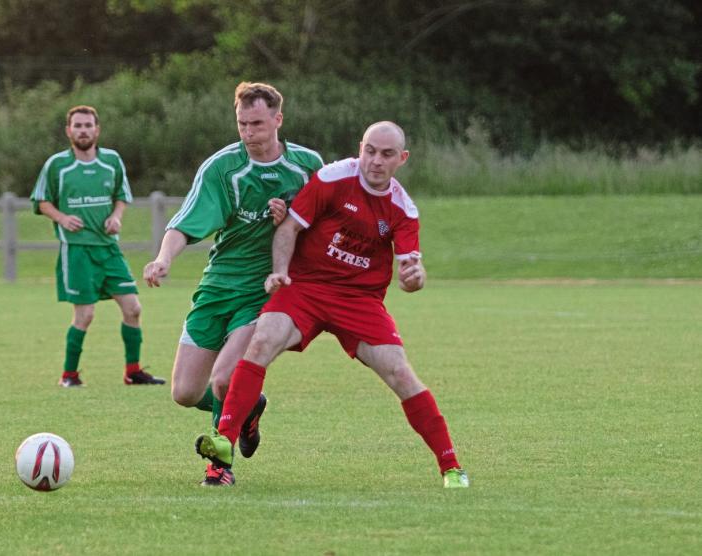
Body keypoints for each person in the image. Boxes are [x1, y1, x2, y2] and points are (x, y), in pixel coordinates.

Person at [195, 121, 470, 488]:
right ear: (360, 148)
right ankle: (224, 446)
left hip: (359, 301)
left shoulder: (403, 209)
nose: (375, 160)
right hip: (306, 288)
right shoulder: (332, 178)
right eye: (369, 150)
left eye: (387, 154)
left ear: (401, 159)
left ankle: (451, 467)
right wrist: (280, 272)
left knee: (401, 374)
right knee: (262, 341)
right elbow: (289, 228)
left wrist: (414, 278)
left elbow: (410, 268)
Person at [143, 82, 324, 486]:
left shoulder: (308, 166)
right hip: (217, 285)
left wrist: (291, 219)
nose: (248, 132)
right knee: (185, 393)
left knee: (225, 378)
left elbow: (327, 228)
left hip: (263, 291)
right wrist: (162, 258)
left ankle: (219, 466)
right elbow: (184, 223)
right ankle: (246, 408)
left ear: (278, 120)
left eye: (257, 123)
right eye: (242, 124)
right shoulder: (222, 168)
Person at [30, 105, 165, 388]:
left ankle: (133, 371)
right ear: (69, 131)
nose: (83, 130)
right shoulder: (57, 165)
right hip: (77, 250)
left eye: (88, 125)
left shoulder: (111, 161)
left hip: (109, 249)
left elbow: (122, 195)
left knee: (133, 308)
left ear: (97, 129)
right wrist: (62, 218)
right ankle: (69, 375)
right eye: (77, 126)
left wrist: (116, 216)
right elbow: (41, 201)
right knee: (85, 314)